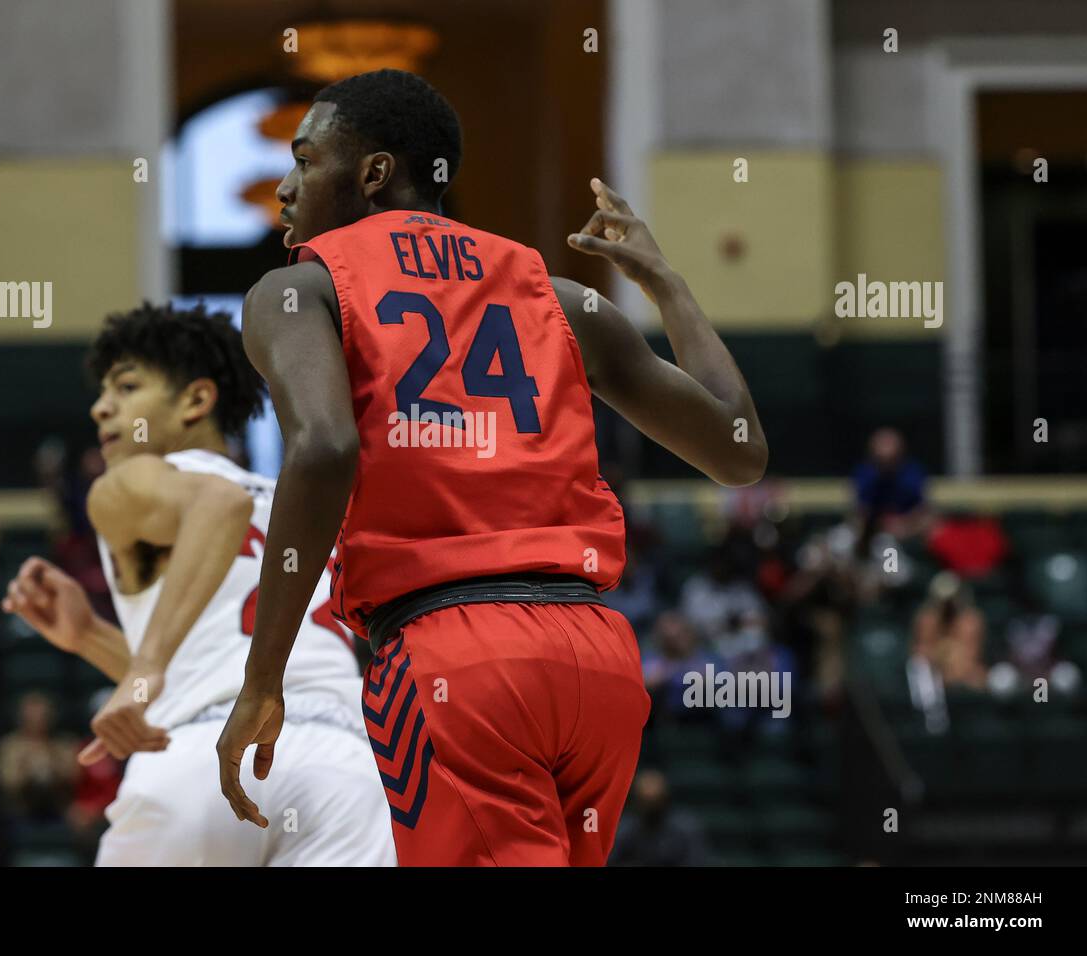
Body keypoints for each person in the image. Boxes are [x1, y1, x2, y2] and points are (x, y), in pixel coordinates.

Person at [216, 69, 767, 866]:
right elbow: (740, 450)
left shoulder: (299, 288)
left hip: (454, 656)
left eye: (304, 161)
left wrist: (263, 676)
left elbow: (326, 448)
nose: (285, 187)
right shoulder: (558, 293)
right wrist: (668, 287)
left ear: (373, 173)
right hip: (597, 659)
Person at [1, 303, 393, 866]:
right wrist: (90, 635)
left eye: (127, 386)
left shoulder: (129, 481)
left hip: (202, 760)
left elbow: (219, 502)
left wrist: (144, 665)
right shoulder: (298, 504)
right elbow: (214, 663)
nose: (101, 407)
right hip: (341, 768)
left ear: (196, 400)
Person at [0, 692, 78, 823]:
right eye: (31, 716)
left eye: (42, 715)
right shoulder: (9, 746)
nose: (37, 720)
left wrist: (52, 758)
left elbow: (74, 777)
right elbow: (8, 781)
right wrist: (26, 765)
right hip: (20, 809)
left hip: (59, 808)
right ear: (21, 717)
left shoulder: (65, 744)